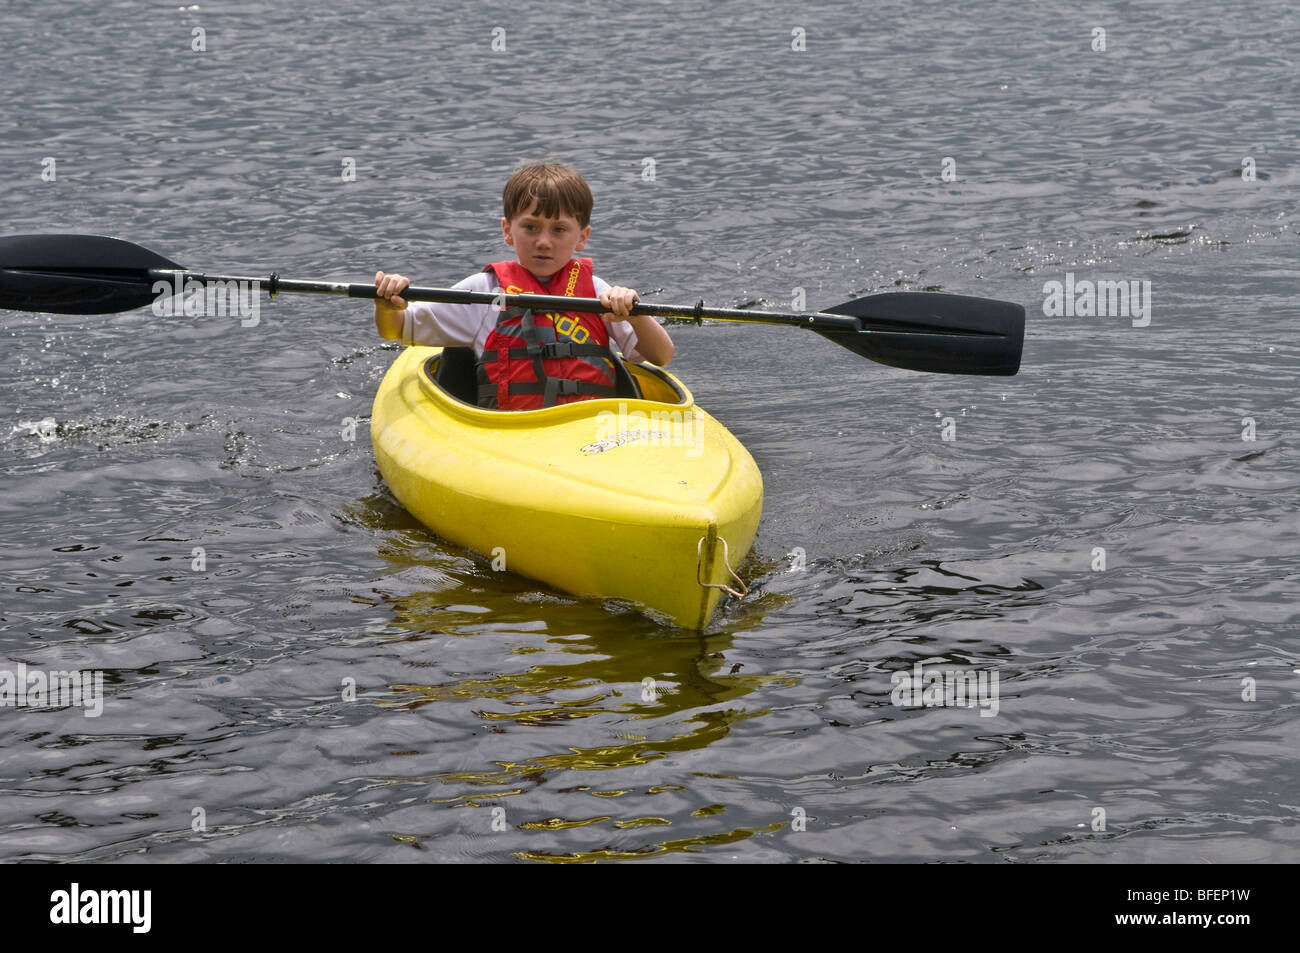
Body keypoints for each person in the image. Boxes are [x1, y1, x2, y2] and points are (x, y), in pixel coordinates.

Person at [373, 162, 674, 409]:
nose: (543, 241)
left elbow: (661, 355)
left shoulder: (597, 292)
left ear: (582, 237)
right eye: (531, 227)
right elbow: (396, 329)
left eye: (559, 230)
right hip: (514, 435)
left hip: (591, 430)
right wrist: (387, 305)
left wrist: (635, 313)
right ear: (508, 230)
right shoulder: (483, 291)